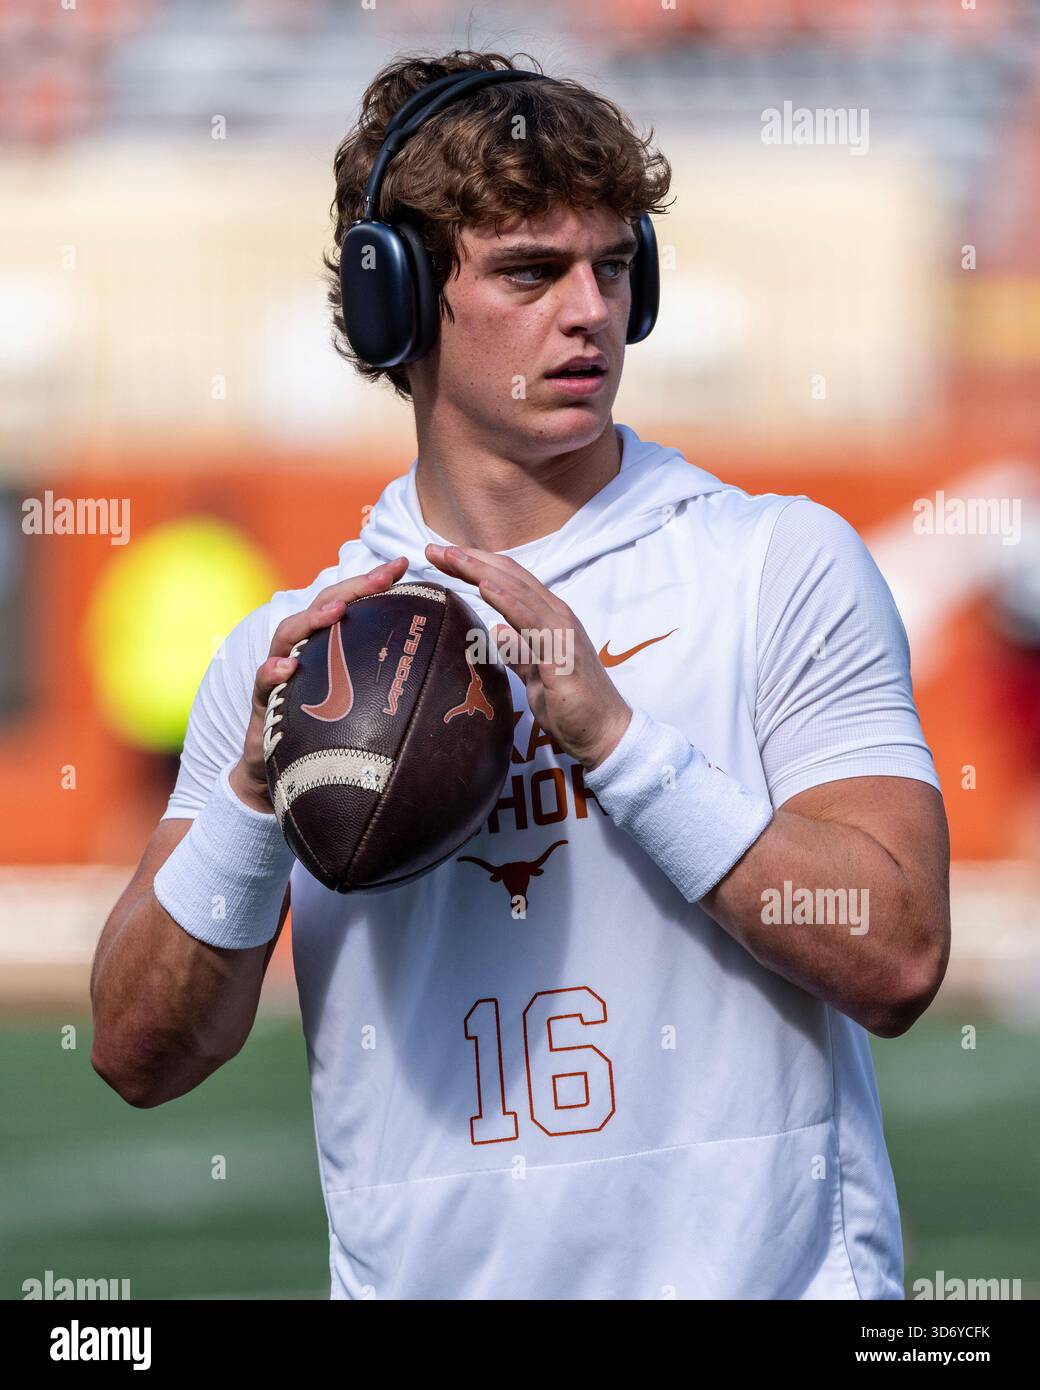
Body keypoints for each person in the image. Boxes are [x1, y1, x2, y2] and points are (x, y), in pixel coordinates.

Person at [91, 50, 950, 1300]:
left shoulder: (773, 564)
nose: (590, 309)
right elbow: (135, 1052)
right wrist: (245, 795)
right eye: (530, 272)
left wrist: (619, 739)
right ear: (394, 302)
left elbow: (897, 956)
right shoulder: (297, 650)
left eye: (612, 265)